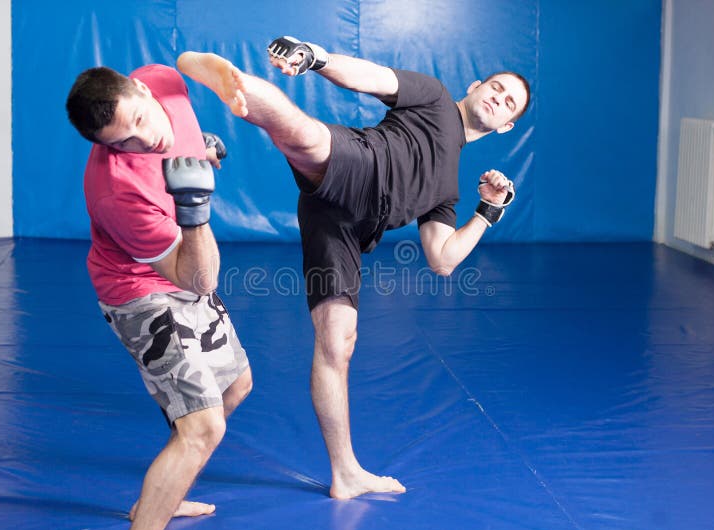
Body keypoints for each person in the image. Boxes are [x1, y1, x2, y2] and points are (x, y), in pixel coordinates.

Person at [176, 36, 530, 500]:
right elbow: (372, 77)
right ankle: (232, 83)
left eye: (509, 102)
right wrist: (316, 58)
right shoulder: (435, 96)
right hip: (360, 163)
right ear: (476, 85)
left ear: (506, 126)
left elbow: (443, 259)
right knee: (301, 134)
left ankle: (345, 472)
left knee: (338, 343)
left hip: (342, 229)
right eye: (496, 86)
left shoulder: (446, 193)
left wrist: (486, 212)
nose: (498, 97)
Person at [65, 63, 252, 530]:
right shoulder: (116, 192)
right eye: (122, 141)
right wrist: (194, 210)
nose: (141, 142)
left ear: (144, 90)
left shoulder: (161, 81)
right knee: (203, 428)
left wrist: (222, 86)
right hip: (141, 293)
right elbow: (197, 280)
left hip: (181, 274)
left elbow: (187, 62)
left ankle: (168, 492)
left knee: (236, 386)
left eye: (141, 122)